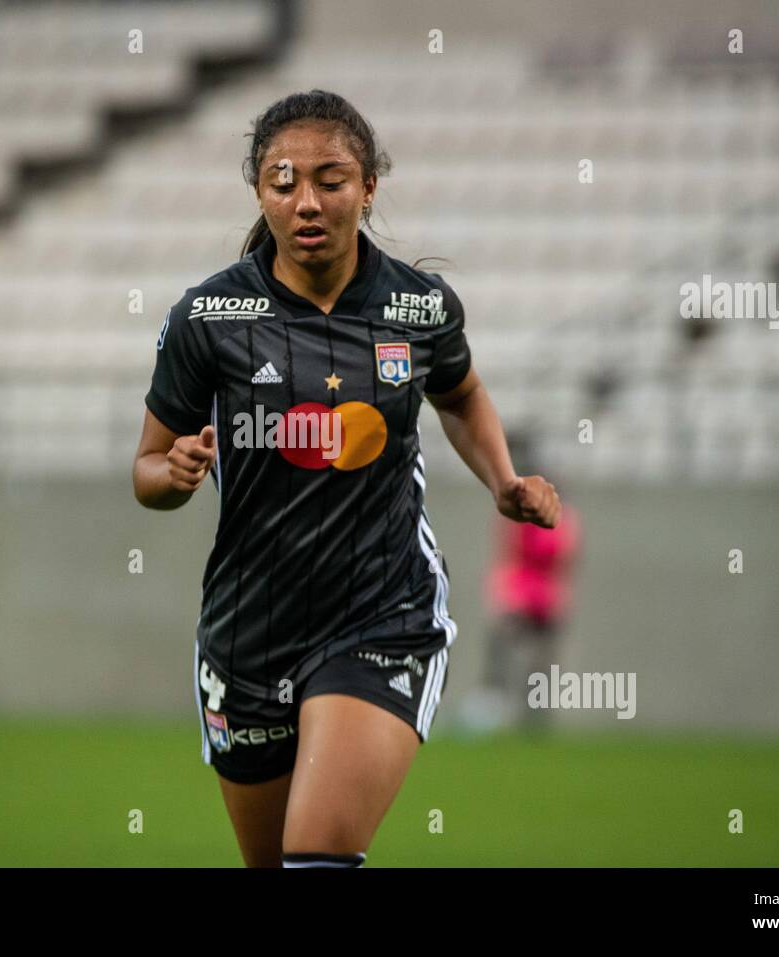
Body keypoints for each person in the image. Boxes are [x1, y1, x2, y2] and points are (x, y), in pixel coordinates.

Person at [132, 90, 560, 868]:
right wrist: (178, 472)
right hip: (248, 629)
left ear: (368, 187)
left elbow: (460, 392)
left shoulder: (418, 306)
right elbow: (147, 469)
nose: (307, 200)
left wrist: (502, 478)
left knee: (317, 852)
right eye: (283, 180)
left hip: (381, 610)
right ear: (259, 191)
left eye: (331, 179)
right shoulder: (209, 318)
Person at [480, 498, 582, 731]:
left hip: (545, 600)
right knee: (503, 647)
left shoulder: (565, 520)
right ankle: (494, 700)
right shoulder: (517, 518)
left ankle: (534, 714)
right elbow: (509, 554)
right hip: (521, 596)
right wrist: (503, 594)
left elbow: (565, 560)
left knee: (541, 660)